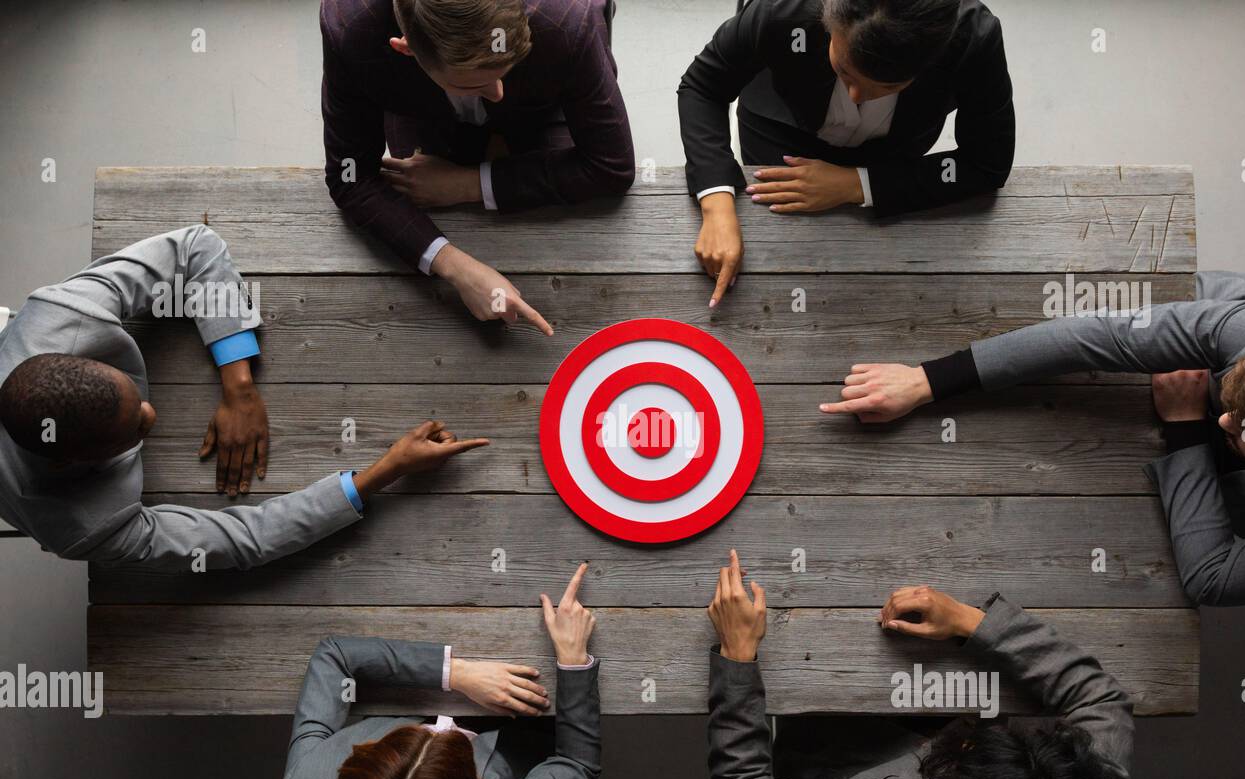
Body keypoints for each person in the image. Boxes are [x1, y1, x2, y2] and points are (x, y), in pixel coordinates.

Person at [0, 225, 487, 568]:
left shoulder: (58, 316)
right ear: (70, 462)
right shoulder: (81, 526)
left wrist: (240, 386)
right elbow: (242, 541)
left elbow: (195, 247)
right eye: (135, 427)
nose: (153, 412)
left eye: (136, 399)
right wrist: (385, 472)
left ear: (82, 353)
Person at [821, 269, 1245, 606]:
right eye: (1233, 411)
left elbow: (1213, 579)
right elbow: (1101, 336)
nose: (1225, 421)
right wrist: (926, 381)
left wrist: (1186, 428)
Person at [705, 549, 1134, 779]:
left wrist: (737, 657)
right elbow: (1099, 697)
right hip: (938, 693)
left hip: (832, 768)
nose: (964, 746)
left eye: (960, 765)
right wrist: (970, 623)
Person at [321, 0, 636, 335]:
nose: (497, 93)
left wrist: (465, 184)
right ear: (406, 49)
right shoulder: (349, 28)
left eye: (504, 71)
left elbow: (610, 166)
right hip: (422, 111)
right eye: (474, 85)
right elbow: (351, 178)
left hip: (540, 101)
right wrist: (455, 266)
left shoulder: (568, 18)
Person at [679, 0, 1014, 307]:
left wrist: (857, 185)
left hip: (890, 158)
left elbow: (986, 163)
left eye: (886, 88)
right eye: (844, 71)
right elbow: (703, 86)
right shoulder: (783, 9)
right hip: (778, 129)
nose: (856, 97)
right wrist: (716, 205)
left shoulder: (974, 37)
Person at [275, 563, 601, 779]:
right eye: (448, 740)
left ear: (354, 764)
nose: (444, 725)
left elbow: (336, 658)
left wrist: (455, 674)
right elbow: (576, 763)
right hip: (520, 747)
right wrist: (573, 660)